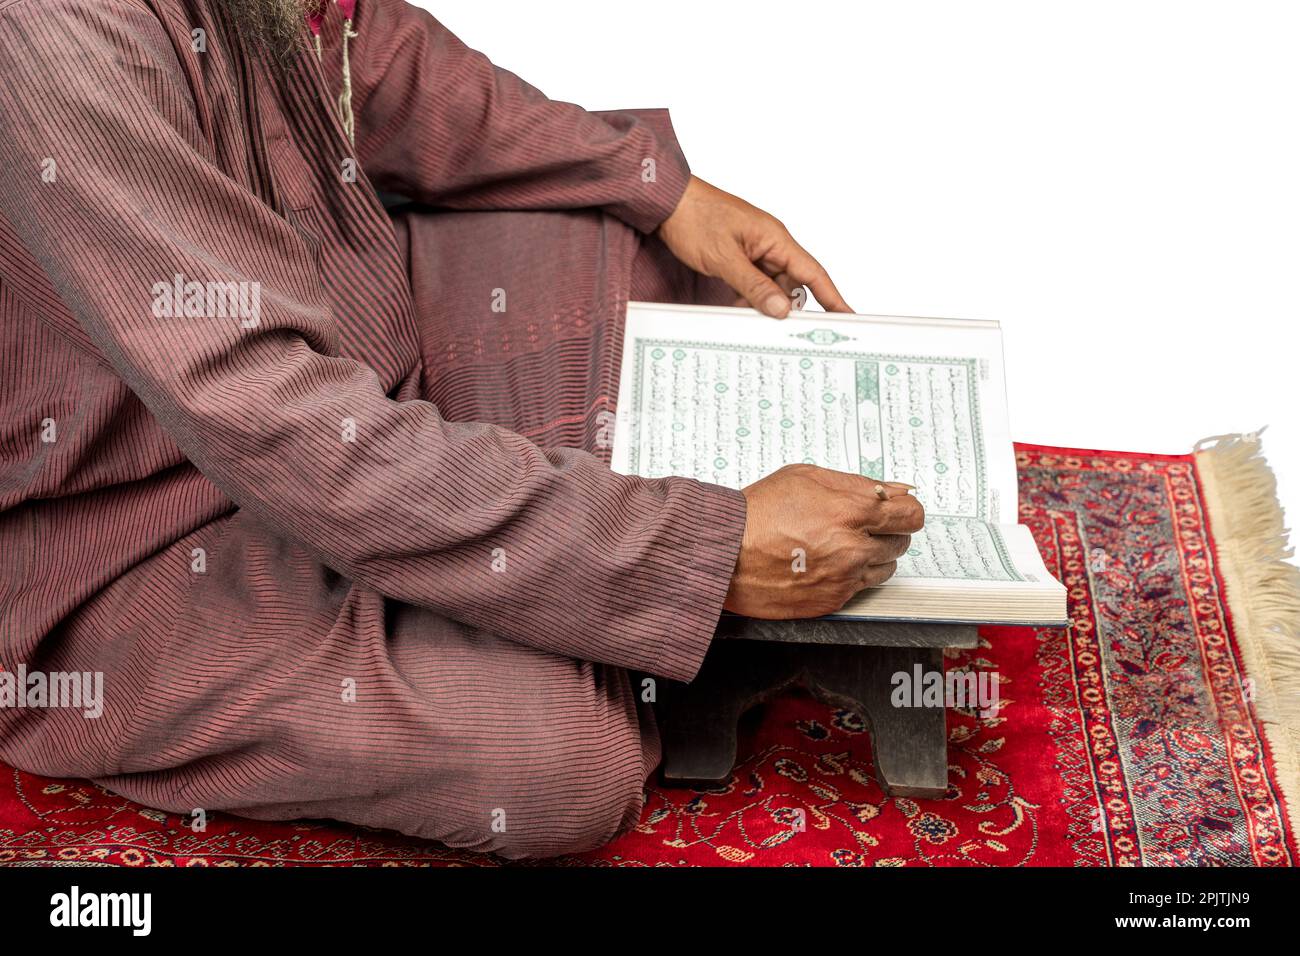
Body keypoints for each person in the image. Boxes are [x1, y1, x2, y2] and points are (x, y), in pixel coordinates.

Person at [0, 0, 924, 857]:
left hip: (363, 364)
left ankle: (573, 587)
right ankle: (608, 604)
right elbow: (285, 427)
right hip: (138, 537)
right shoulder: (53, 37)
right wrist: (699, 552)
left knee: (649, 253)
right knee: (559, 760)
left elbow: (379, 57)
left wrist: (657, 185)